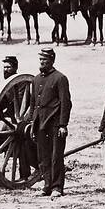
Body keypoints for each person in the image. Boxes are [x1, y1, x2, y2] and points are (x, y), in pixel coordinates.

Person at [32, 47, 72, 197]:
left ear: (52, 61)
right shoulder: (36, 79)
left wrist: (63, 124)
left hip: (55, 124)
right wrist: (32, 123)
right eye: (41, 59)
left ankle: (57, 187)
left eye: (45, 60)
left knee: (56, 156)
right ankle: (47, 185)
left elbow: (66, 103)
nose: (42, 62)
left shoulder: (60, 78)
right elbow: (33, 104)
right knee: (43, 156)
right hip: (40, 124)